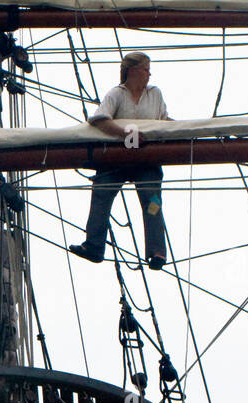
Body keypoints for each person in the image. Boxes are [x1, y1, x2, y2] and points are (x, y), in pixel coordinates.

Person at [69, 52, 172, 270]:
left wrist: (188, 129)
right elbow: (99, 119)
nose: (149, 74)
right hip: (115, 158)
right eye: (146, 69)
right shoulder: (116, 94)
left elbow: (164, 120)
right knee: (101, 198)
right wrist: (124, 134)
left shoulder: (155, 94)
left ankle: (157, 252)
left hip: (146, 159)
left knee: (152, 202)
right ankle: (94, 247)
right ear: (133, 71)